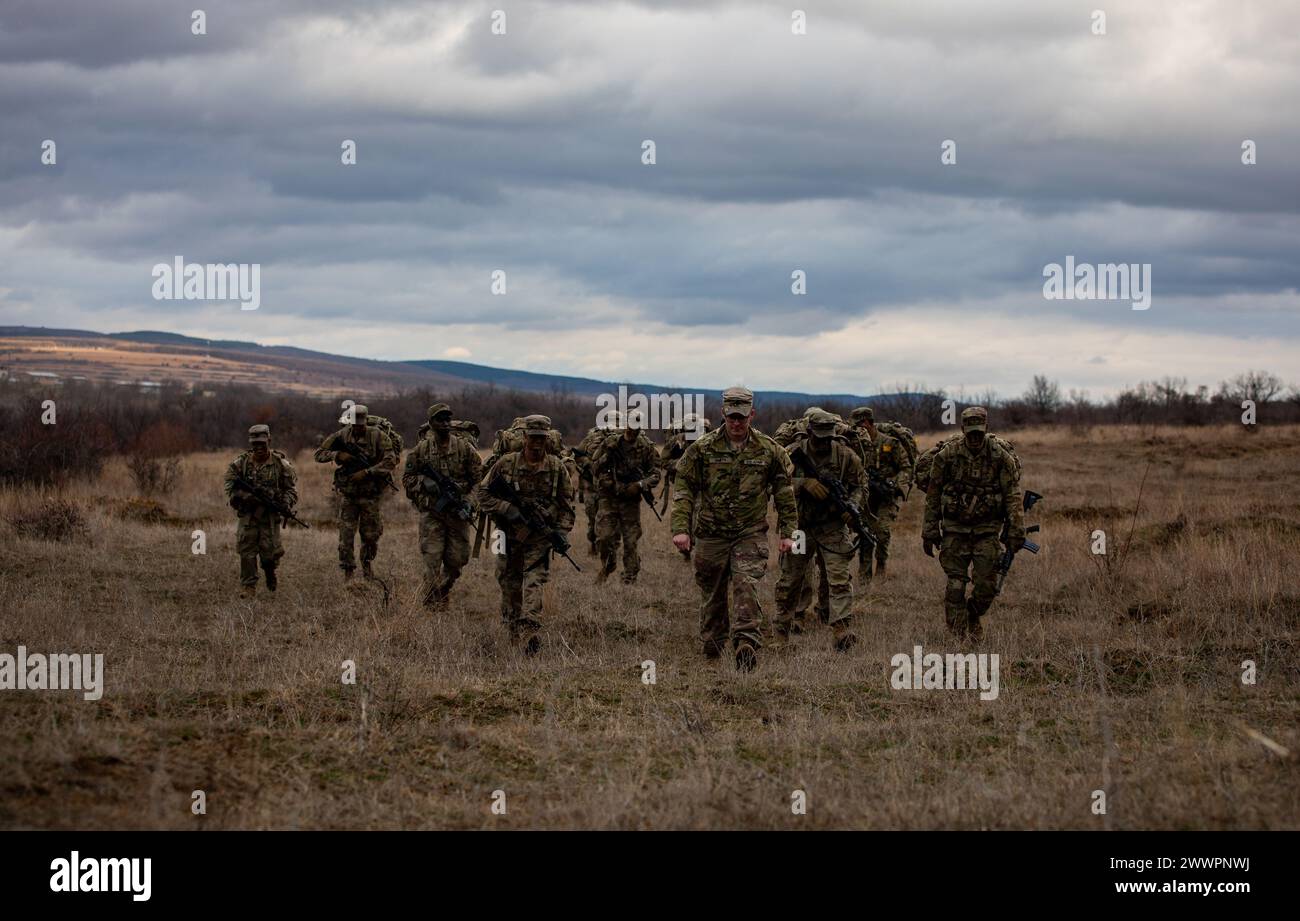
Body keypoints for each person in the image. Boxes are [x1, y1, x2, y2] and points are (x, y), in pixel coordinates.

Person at [671, 387, 798, 671]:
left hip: (749, 532)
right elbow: (684, 489)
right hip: (711, 533)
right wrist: (681, 528)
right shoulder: (702, 449)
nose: (737, 423)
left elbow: (785, 492)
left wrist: (788, 533)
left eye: (742, 417)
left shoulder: (769, 450)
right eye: (732, 418)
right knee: (712, 591)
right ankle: (714, 644)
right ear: (722, 414)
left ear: (752, 414)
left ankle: (746, 643)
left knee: (746, 584)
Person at [922, 406, 1024, 640]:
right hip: (955, 529)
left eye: (979, 432)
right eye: (971, 433)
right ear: (963, 430)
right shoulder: (947, 455)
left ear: (986, 429)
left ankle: (973, 614)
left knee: (987, 586)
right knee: (955, 585)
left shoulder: (999, 456)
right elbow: (933, 493)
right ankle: (959, 638)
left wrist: (1016, 529)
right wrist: (929, 530)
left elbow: (1012, 494)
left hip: (987, 530)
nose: (975, 438)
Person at [476, 419, 576, 654]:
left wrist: (560, 534)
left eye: (541, 438)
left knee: (534, 581)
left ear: (547, 440)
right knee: (508, 582)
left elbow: (566, 504)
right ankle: (511, 626)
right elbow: (483, 494)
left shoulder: (555, 467)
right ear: (524, 438)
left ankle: (529, 631)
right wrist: (507, 509)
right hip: (506, 534)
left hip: (539, 536)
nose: (537, 443)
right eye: (533, 437)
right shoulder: (506, 463)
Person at [774, 411, 866, 651]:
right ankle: (782, 630)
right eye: (819, 438)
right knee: (791, 579)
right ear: (810, 433)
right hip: (801, 527)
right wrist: (803, 484)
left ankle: (841, 630)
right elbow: (774, 483)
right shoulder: (792, 453)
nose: (824, 443)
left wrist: (852, 508)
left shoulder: (846, 457)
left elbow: (859, 486)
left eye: (829, 438)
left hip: (832, 527)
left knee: (839, 577)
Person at [402, 403, 483, 607]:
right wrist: (424, 483)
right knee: (432, 559)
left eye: (448, 419)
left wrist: (469, 503)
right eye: (440, 420)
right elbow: (408, 478)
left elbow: (479, 482)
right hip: (433, 513)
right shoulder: (422, 450)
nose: (445, 423)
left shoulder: (465, 448)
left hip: (458, 514)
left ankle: (443, 589)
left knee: (457, 561)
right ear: (431, 424)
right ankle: (431, 602)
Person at [313, 404, 397, 582]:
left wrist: (367, 472)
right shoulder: (341, 435)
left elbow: (390, 461)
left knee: (370, 535)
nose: (358, 427)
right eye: (355, 424)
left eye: (361, 424)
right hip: (348, 495)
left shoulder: (378, 436)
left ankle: (367, 566)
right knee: (346, 535)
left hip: (370, 495)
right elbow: (319, 454)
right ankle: (348, 572)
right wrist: (337, 455)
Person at [223, 424, 298, 599]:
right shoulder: (240, 464)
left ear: (269, 441)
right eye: (255, 444)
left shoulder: (281, 465)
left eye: (262, 444)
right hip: (248, 515)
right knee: (246, 550)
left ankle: (270, 572)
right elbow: (229, 486)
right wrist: (244, 496)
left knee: (269, 554)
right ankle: (248, 586)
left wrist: (285, 502)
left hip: (270, 517)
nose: (258, 448)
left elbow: (291, 491)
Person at [590, 412, 661, 584]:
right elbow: (595, 467)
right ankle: (608, 565)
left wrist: (639, 485)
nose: (632, 430)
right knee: (604, 537)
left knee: (631, 541)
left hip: (631, 500)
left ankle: (630, 576)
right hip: (609, 497)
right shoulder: (611, 443)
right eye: (630, 425)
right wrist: (608, 457)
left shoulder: (646, 447)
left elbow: (656, 474)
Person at [849, 406, 906, 583]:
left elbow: (905, 468)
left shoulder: (890, 443)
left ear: (867, 423)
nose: (857, 429)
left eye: (859, 425)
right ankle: (864, 576)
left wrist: (897, 485)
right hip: (865, 497)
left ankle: (881, 565)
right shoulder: (856, 445)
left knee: (882, 532)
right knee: (865, 534)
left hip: (885, 496)